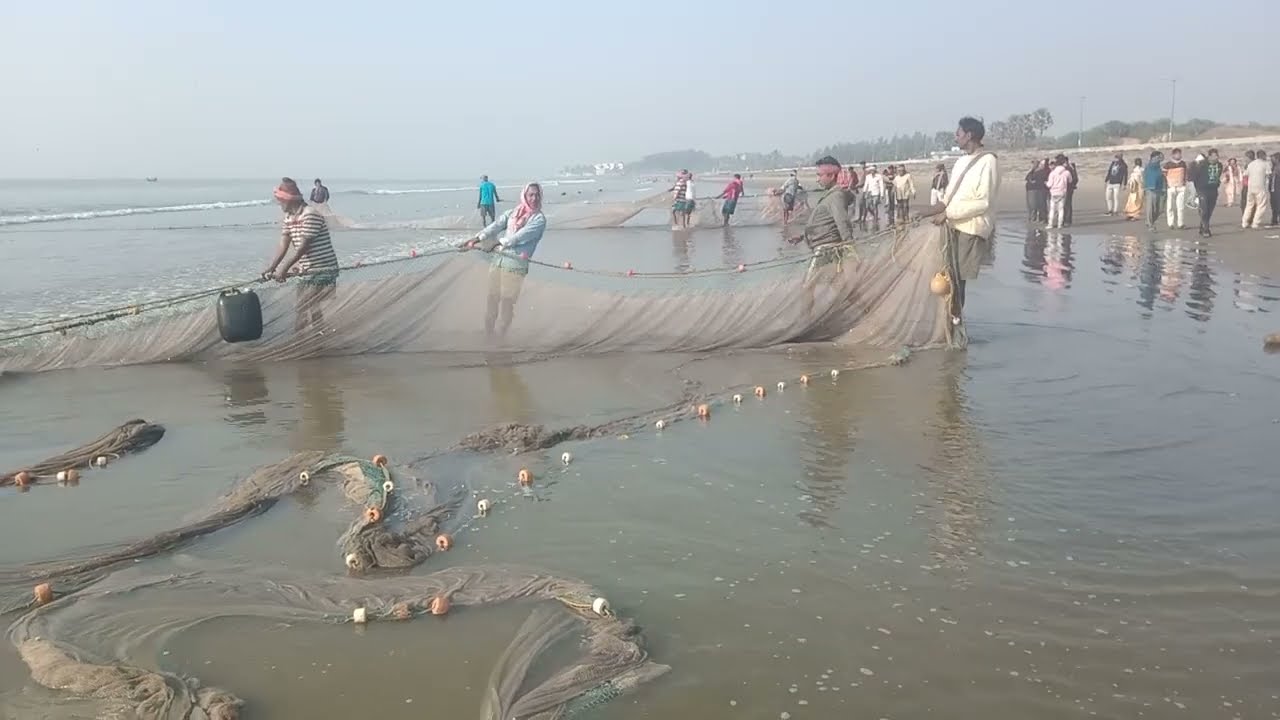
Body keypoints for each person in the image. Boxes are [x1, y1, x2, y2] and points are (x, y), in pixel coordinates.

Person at [917, 116, 1000, 334]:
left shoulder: (988, 161)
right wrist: (923, 212)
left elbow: (983, 201)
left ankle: (954, 324)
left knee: (957, 280)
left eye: (959, 133)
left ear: (969, 135)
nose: (956, 136)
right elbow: (948, 198)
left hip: (971, 228)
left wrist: (948, 214)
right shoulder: (961, 161)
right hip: (953, 225)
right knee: (948, 278)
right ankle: (950, 321)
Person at [462, 183, 547, 338]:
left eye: (537, 195)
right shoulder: (513, 213)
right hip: (498, 261)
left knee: (507, 304)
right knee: (492, 299)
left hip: (515, 265)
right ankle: (489, 334)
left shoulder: (539, 219)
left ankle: (501, 336)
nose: (534, 198)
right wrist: (477, 238)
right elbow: (496, 226)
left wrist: (497, 242)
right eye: (531, 195)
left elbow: (519, 237)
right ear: (524, 196)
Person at [262, 177, 340, 334]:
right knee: (309, 305)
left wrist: (284, 269)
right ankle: (319, 335)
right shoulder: (289, 217)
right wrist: (272, 267)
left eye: (280, 200)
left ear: (288, 200)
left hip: (323, 268)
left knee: (304, 305)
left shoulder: (310, 214)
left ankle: (300, 338)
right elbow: (283, 244)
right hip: (307, 269)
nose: (279, 204)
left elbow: (302, 248)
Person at [786, 156, 854, 314]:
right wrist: (803, 236)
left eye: (819, 175)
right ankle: (868, 314)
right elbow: (824, 223)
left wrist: (850, 248)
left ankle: (805, 321)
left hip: (827, 249)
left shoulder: (836, 196)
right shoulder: (831, 195)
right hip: (826, 247)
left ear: (831, 176)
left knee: (807, 286)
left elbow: (842, 223)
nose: (818, 179)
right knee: (838, 285)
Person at [1193, 149, 1223, 237]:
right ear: (1209, 156)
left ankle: (1202, 225)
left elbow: (1218, 175)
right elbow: (1195, 177)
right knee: (1204, 209)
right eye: (1214, 155)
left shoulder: (1219, 165)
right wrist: (1195, 190)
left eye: (1217, 155)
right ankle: (1206, 229)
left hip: (1213, 189)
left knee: (1209, 210)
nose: (1216, 157)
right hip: (1202, 189)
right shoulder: (1202, 165)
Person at [1242, 150, 1271, 229]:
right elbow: (1269, 174)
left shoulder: (1251, 164)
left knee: (1249, 205)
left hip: (1251, 187)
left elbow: (1245, 174)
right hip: (1260, 187)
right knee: (1261, 205)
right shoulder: (1265, 164)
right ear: (1263, 156)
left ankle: (1244, 222)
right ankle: (1255, 223)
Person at [1162, 148, 1189, 229]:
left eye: (1180, 154)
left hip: (1181, 187)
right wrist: (1165, 186)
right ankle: (1171, 223)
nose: (1179, 155)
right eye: (1177, 154)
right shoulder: (1167, 165)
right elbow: (1163, 176)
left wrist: (1185, 184)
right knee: (1170, 206)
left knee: (1180, 207)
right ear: (1173, 155)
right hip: (1171, 187)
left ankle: (1180, 224)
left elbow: (1186, 174)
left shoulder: (1183, 164)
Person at [1046, 155, 1072, 229]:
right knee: (1061, 209)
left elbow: (1049, 184)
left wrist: (1046, 183)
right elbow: (1070, 180)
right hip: (1062, 192)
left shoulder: (1052, 173)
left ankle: (1050, 224)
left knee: (1052, 209)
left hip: (1053, 192)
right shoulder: (1067, 172)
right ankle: (1060, 224)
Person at [1143, 150, 1166, 231]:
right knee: (1150, 208)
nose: (1161, 158)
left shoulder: (1159, 166)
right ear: (1154, 157)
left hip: (1159, 189)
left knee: (1159, 209)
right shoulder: (1150, 166)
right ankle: (1150, 224)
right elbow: (1146, 177)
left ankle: (1151, 221)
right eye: (1159, 157)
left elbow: (1161, 177)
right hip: (1151, 189)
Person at [860, 166, 884, 230]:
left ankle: (875, 219)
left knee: (875, 205)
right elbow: (866, 185)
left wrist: (882, 194)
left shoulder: (879, 176)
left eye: (873, 170)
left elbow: (881, 185)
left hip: (876, 193)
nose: (872, 171)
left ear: (875, 170)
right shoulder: (868, 177)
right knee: (867, 207)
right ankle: (874, 215)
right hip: (869, 193)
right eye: (871, 170)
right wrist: (864, 192)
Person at [1063, 158, 1079, 227]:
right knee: (1067, 204)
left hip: (1068, 189)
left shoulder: (1068, 169)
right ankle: (1067, 220)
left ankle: (1067, 220)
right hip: (1067, 188)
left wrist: (1072, 185)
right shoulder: (1070, 168)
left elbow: (1075, 179)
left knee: (1067, 204)